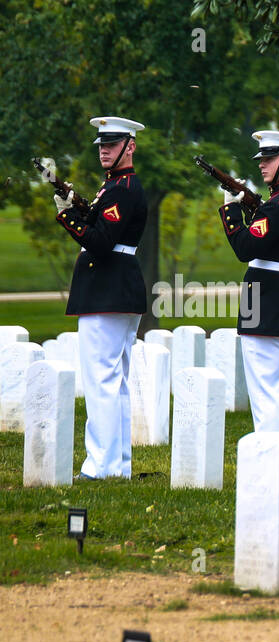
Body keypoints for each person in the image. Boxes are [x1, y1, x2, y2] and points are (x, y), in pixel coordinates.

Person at [52, 116, 147, 480]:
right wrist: (78, 209)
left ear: (130, 146)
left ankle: (101, 467)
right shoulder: (117, 187)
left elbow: (102, 243)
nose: (104, 150)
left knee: (101, 381)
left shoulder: (122, 189)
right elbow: (102, 226)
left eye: (112, 144)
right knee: (115, 381)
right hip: (117, 289)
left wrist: (66, 216)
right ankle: (117, 464)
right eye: (102, 145)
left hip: (107, 289)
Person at [219, 130, 279, 446]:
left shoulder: (277, 206)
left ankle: (274, 461)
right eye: (261, 158)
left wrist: (231, 211)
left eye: (269, 158)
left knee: (265, 390)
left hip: (262, 299)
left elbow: (245, 249)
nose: (262, 165)